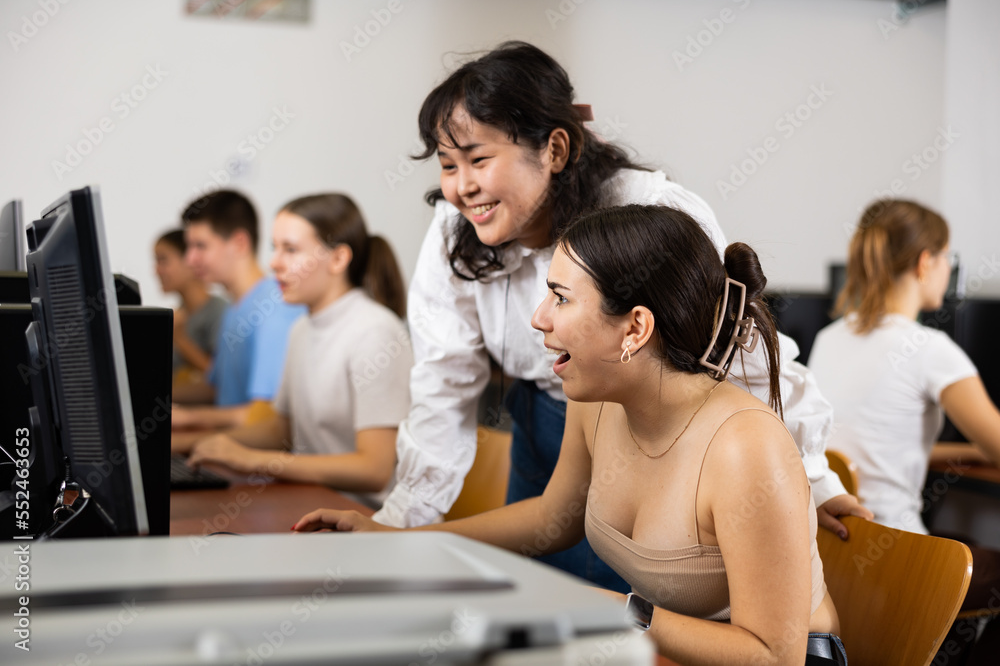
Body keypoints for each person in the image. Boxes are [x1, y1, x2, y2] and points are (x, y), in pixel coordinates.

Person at [373, 40, 868, 592]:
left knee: (620, 602)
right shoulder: (456, 227)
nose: (461, 186)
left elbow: (739, 355)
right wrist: (397, 526)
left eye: (479, 160)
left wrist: (813, 477)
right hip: (552, 417)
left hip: (648, 431)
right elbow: (442, 381)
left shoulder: (648, 213)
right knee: (532, 592)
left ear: (554, 149)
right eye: (447, 165)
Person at [294, 204, 844, 665]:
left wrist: (613, 609)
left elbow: (774, 655)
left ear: (635, 328)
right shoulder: (597, 404)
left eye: (559, 297)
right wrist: (399, 539)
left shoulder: (746, 447)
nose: (539, 318)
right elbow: (551, 519)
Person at [809, 199, 1000, 663]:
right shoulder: (930, 348)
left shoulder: (828, 339)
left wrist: (968, 450)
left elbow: (867, 447)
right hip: (900, 560)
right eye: (947, 256)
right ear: (925, 262)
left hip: (832, 558)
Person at [186, 194, 412, 508]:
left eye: (290, 250)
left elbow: (374, 470)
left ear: (338, 259)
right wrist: (217, 443)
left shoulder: (375, 332)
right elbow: (283, 429)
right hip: (318, 504)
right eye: (275, 248)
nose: (274, 263)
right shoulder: (301, 329)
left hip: (373, 517)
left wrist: (252, 460)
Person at [171, 190, 305, 452]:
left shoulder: (274, 307)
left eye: (200, 246)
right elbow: (217, 389)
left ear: (239, 243)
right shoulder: (234, 309)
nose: (190, 259)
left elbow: (265, 415)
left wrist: (189, 422)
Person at [153, 229, 227, 387]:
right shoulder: (178, 315)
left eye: (163, 260)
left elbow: (222, 378)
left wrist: (180, 338)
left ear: (190, 260)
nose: (156, 271)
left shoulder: (219, 312)